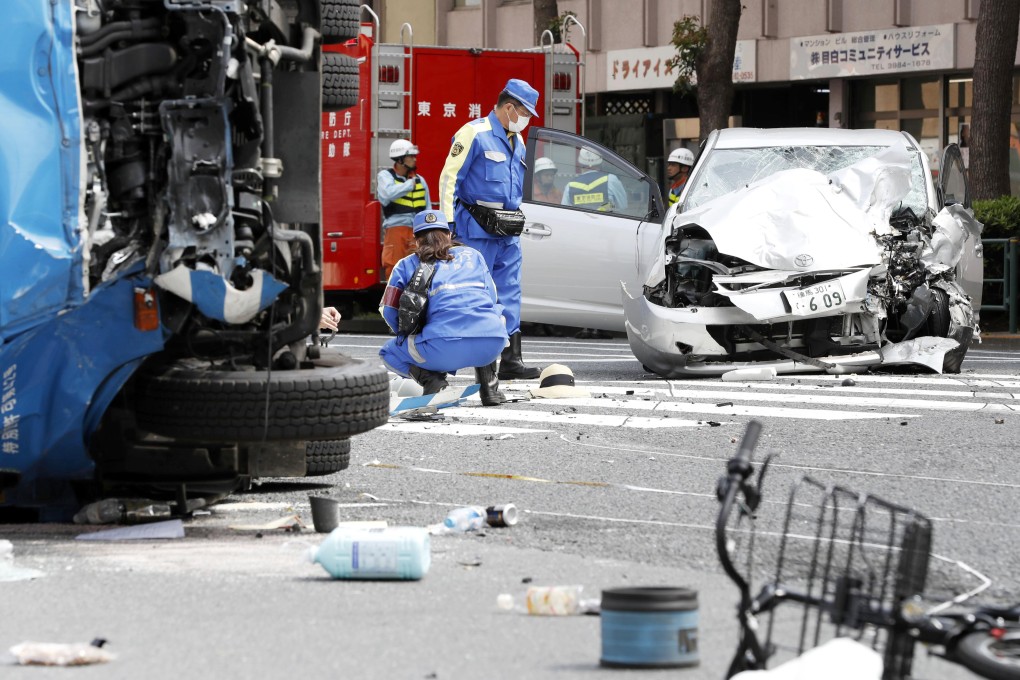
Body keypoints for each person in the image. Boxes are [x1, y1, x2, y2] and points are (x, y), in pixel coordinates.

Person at [438, 78, 543, 381]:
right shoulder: (474, 133)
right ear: (509, 107)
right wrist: (447, 225)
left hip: (507, 229)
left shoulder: (517, 140)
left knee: (510, 291)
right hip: (475, 228)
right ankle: (476, 366)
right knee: (475, 294)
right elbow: (449, 179)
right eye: (525, 113)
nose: (526, 119)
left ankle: (511, 359)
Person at [378, 209, 509, 406]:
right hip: (492, 344)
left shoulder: (406, 264)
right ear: (449, 234)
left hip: (441, 346)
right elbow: (492, 298)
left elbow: (388, 310)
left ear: (416, 240)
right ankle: (490, 389)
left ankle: (434, 383)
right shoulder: (474, 255)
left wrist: (413, 334)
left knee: (388, 353)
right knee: (495, 315)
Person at [378, 139, 431, 279]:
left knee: (420, 268)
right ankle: (394, 294)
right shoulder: (385, 176)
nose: (415, 159)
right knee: (394, 267)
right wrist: (409, 185)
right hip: (396, 230)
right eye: (411, 156)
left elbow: (428, 208)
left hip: (417, 231)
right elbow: (386, 194)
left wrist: (429, 231)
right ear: (400, 159)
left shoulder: (420, 180)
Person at [562, 147, 628, 212]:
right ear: (600, 163)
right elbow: (622, 206)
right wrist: (604, 208)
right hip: (605, 218)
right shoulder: (611, 179)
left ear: (580, 163)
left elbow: (565, 212)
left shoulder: (570, 185)